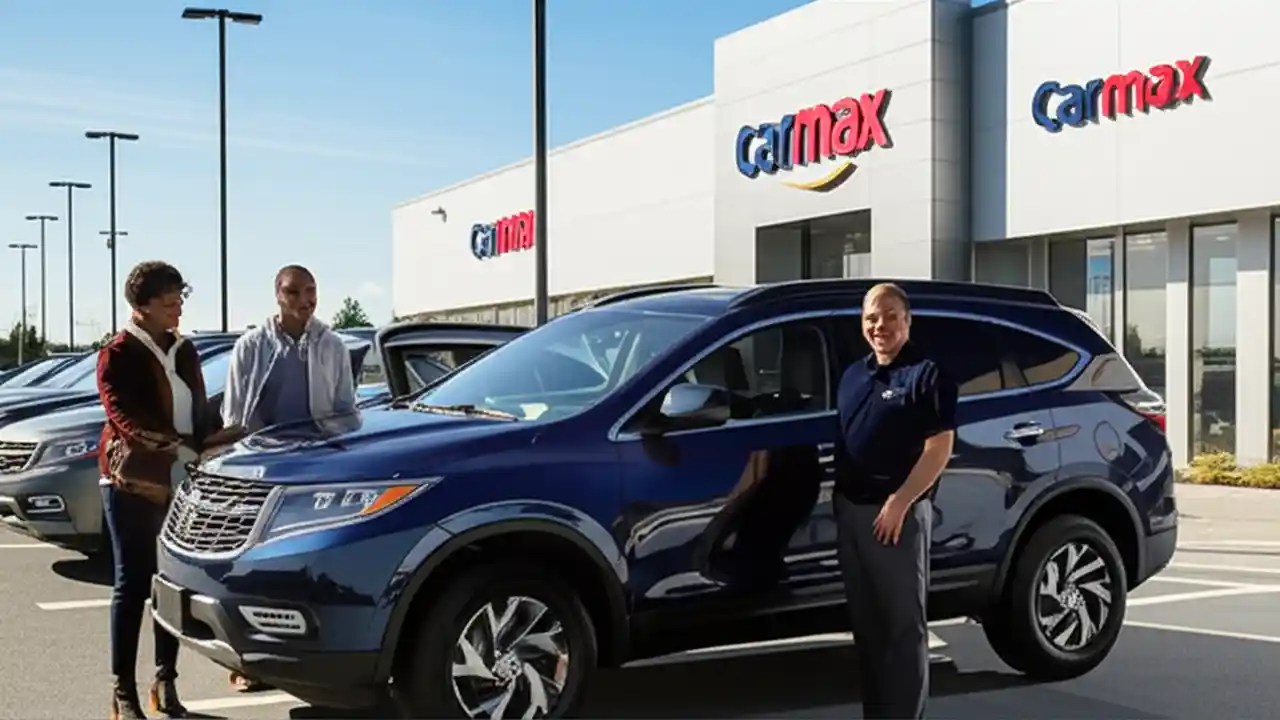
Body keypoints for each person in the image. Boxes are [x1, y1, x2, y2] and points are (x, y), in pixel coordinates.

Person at [219, 264, 355, 692]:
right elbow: (235, 414)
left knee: (306, 564)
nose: (304, 300)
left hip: (316, 468)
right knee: (255, 568)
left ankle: (305, 657)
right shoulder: (253, 346)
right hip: (265, 468)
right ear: (277, 296)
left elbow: (345, 409)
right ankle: (249, 663)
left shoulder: (331, 344)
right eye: (294, 292)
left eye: (310, 291)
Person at [833, 282, 958, 720]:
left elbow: (939, 447)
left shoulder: (926, 374)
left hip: (896, 517)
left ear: (907, 320)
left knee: (903, 631)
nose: (879, 325)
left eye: (889, 315)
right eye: (871, 317)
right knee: (868, 631)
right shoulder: (853, 375)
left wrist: (901, 501)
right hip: (852, 515)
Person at [97, 262, 209, 719]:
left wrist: (216, 434)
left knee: (172, 583)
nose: (178, 306)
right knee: (133, 582)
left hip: (183, 482)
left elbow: (199, 412)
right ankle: (122, 690)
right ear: (139, 308)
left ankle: (165, 682)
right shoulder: (117, 353)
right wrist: (168, 440)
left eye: (181, 297)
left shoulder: (185, 350)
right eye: (168, 301)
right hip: (132, 482)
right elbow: (122, 416)